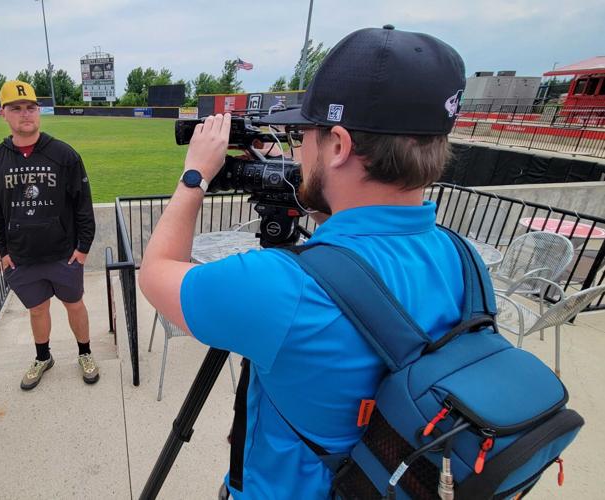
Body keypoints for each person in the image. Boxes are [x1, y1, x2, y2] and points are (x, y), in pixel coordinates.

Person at [139, 25, 467, 498]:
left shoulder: (283, 287)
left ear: (338, 145)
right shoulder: (463, 261)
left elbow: (155, 273)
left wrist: (195, 176)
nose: (297, 149)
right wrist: (315, 185)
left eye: (303, 135)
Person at [0, 80, 98, 390]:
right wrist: (4, 251)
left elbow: (82, 205)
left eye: (30, 107)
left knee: (75, 305)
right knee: (37, 309)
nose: (25, 114)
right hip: (22, 255)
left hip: (63, 253)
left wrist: (83, 247)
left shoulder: (63, 154)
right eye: (16, 108)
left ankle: (85, 352)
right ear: (3, 114)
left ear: (39, 111)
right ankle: (43, 356)